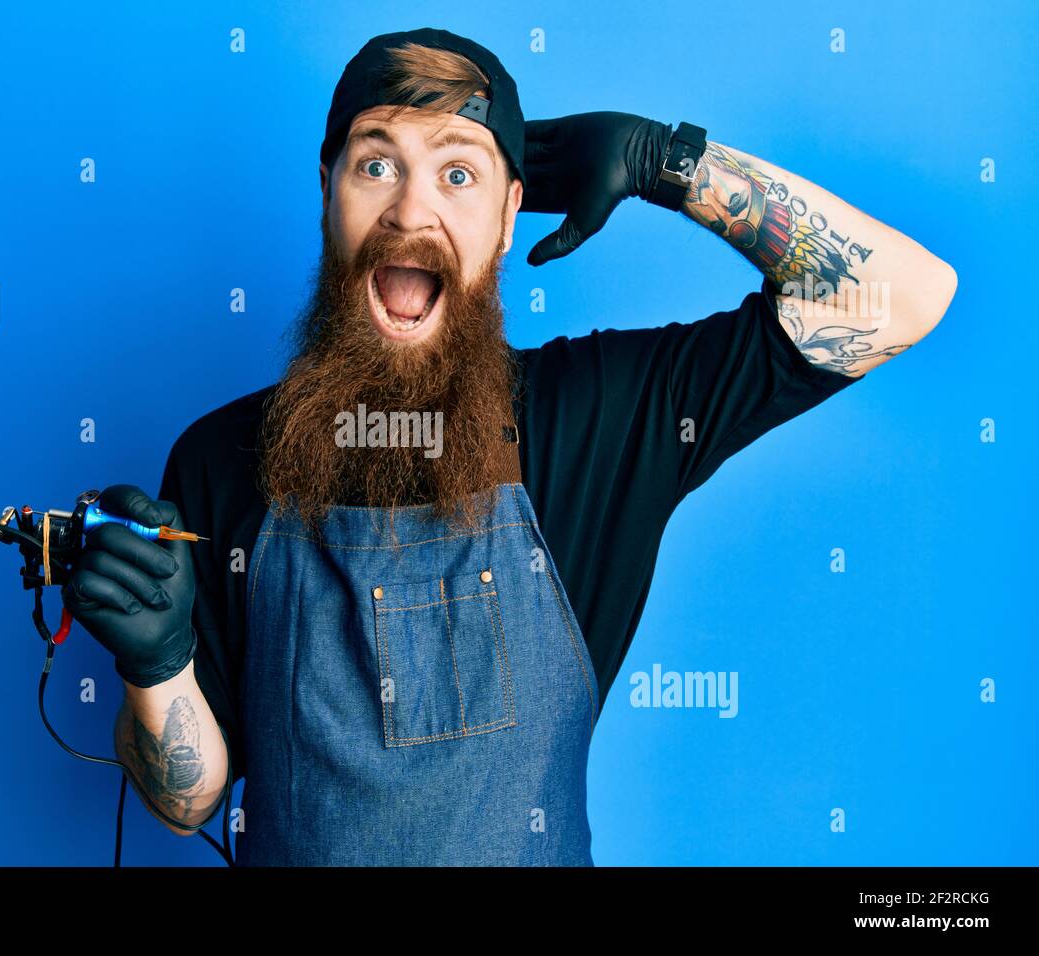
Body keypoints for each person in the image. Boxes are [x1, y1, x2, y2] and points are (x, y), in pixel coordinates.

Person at [62, 28, 957, 866]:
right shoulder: (220, 458)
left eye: (460, 175)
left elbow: (900, 296)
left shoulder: (607, 415)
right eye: (377, 163)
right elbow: (187, 800)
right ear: (328, 187)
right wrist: (156, 659)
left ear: (509, 216)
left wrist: (667, 163)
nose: (411, 210)